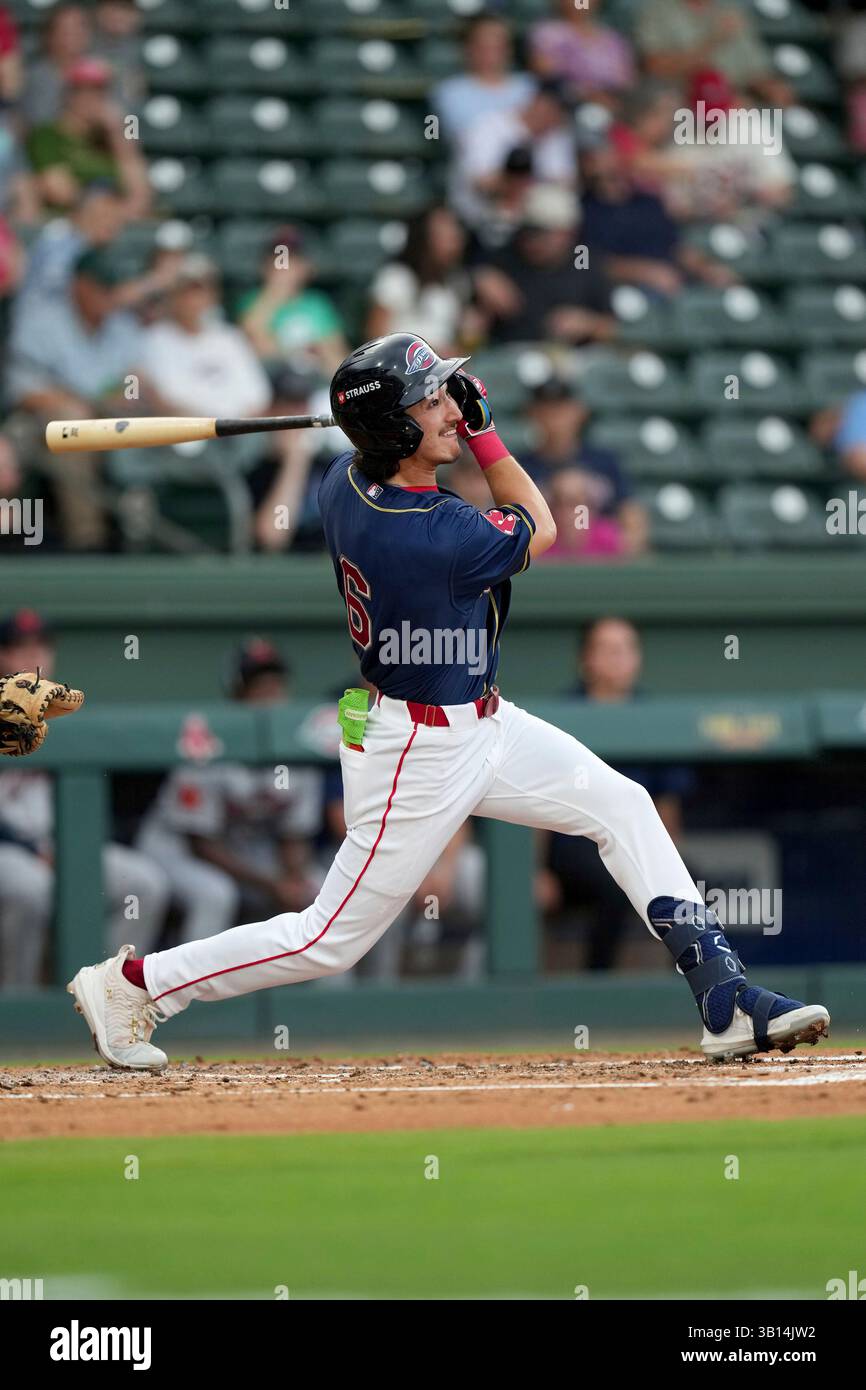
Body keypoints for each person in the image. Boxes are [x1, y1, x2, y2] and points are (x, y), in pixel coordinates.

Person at [66, 331, 830, 1069]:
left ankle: (722, 997)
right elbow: (541, 526)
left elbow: (380, 458)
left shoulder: (345, 481)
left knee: (623, 805)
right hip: (419, 747)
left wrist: (406, 416)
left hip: (482, 722)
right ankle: (133, 987)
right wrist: (489, 436)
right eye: (432, 400)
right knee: (326, 938)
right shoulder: (435, 534)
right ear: (393, 429)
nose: (451, 408)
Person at [0, 610, 169, 986]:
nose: (32, 656)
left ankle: (105, 994)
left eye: (41, 646)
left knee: (144, 882)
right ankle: (18, 1003)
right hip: (8, 848)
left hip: (61, 843)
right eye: (19, 647)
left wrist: (74, 844)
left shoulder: (64, 710)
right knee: (31, 890)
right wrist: (31, 848)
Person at [135, 640, 325, 943]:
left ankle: (326, 992)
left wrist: (293, 878)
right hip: (176, 850)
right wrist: (273, 884)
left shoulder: (296, 743)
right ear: (238, 697)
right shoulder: (208, 743)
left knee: (324, 890)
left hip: (249, 853)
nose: (270, 698)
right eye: (259, 689)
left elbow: (294, 835)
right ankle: (190, 987)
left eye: (276, 687)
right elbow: (201, 844)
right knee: (215, 894)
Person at [537, 618, 697, 968]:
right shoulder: (559, 716)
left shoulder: (652, 717)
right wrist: (536, 871)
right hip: (573, 849)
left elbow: (667, 807)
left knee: (694, 885)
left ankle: (702, 990)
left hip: (636, 844)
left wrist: (669, 864)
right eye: (608, 650)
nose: (618, 659)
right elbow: (534, 803)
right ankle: (599, 988)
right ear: (587, 659)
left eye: (626, 650)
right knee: (612, 884)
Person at [8, 246, 146, 549]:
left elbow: (135, 381)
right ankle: (86, 542)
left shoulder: (123, 325)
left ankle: (138, 543)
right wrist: (73, 404)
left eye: (114, 287)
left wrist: (123, 394)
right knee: (70, 426)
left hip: (108, 419)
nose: (110, 295)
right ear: (79, 285)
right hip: (44, 420)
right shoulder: (42, 320)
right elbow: (24, 391)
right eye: (103, 287)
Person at [580, 143, 739, 295]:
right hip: (629, 290)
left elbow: (676, 246)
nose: (614, 177)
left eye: (616, 166)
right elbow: (591, 264)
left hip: (675, 281)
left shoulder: (649, 202)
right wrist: (647, 272)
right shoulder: (586, 211)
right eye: (604, 172)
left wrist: (705, 268)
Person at [474, 183, 616, 347]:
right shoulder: (509, 256)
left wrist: (588, 324)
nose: (530, 240)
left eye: (539, 232)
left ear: (568, 233)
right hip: (514, 355)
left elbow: (613, 327)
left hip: (576, 360)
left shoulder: (584, 259)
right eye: (526, 230)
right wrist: (478, 277)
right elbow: (468, 263)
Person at [137, 254, 271, 420]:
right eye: (187, 292)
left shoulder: (229, 338)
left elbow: (257, 396)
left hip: (237, 433)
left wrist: (235, 427)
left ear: (212, 296)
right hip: (187, 434)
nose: (193, 300)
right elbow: (168, 400)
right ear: (173, 296)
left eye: (200, 291)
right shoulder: (154, 340)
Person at [523, 377, 648, 555]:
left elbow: (633, 520)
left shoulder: (605, 462)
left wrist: (615, 549)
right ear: (532, 413)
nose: (555, 417)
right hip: (544, 558)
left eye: (561, 408)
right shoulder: (521, 467)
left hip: (603, 559)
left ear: (579, 411)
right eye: (547, 409)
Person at [449, 78, 578, 237]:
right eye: (557, 109)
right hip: (479, 215)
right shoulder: (487, 127)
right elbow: (482, 183)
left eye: (563, 112)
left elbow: (566, 184)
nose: (559, 117)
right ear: (539, 102)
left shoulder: (556, 135)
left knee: (559, 206)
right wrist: (518, 184)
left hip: (529, 217)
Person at [25, 56, 150, 217]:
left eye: (99, 92)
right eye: (83, 91)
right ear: (68, 95)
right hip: (72, 219)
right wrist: (106, 210)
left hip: (118, 219)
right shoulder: (46, 134)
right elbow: (58, 191)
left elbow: (140, 189)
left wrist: (117, 131)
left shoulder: (111, 137)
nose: (91, 99)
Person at [635, 0, 793, 108]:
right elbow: (655, 67)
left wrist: (771, 88)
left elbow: (755, 69)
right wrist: (713, 41)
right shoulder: (658, 10)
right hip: (685, 105)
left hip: (738, 103)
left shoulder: (729, 9)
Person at [238, 225, 348, 377]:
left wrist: (318, 353)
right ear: (265, 266)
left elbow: (337, 359)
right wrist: (276, 291)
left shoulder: (317, 304)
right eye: (278, 260)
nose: (284, 266)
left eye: (292, 261)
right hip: (270, 383)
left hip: (313, 384)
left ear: (305, 267)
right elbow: (251, 346)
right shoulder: (253, 300)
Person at [366, 205, 474, 353]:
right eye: (444, 236)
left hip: (443, 370)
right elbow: (374, 337)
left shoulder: (458, 282)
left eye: (455, 235)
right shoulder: (396, 277)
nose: (455, 243)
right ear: (424, 238)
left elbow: (461, 340)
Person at [432, 12, 534, 144]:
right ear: (467, 48)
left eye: (498, 45)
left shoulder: (531, 86)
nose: (491, 53)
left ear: (510, 48)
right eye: (483, 46)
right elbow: (467, 136)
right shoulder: (449, 92)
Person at [529, 0, 636, 107]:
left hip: (610, 104)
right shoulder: (548, 33)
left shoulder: (614, 39)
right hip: (564, 104)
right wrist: (588, 94)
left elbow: (626, 80)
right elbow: (547, 72)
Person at [20, 2, 91, 128]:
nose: (73, 35)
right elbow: (39, 125)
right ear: (49, 36)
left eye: (79, 27)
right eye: (64, 29)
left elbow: (125, 122)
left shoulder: (101, 71)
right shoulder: (34, 76)